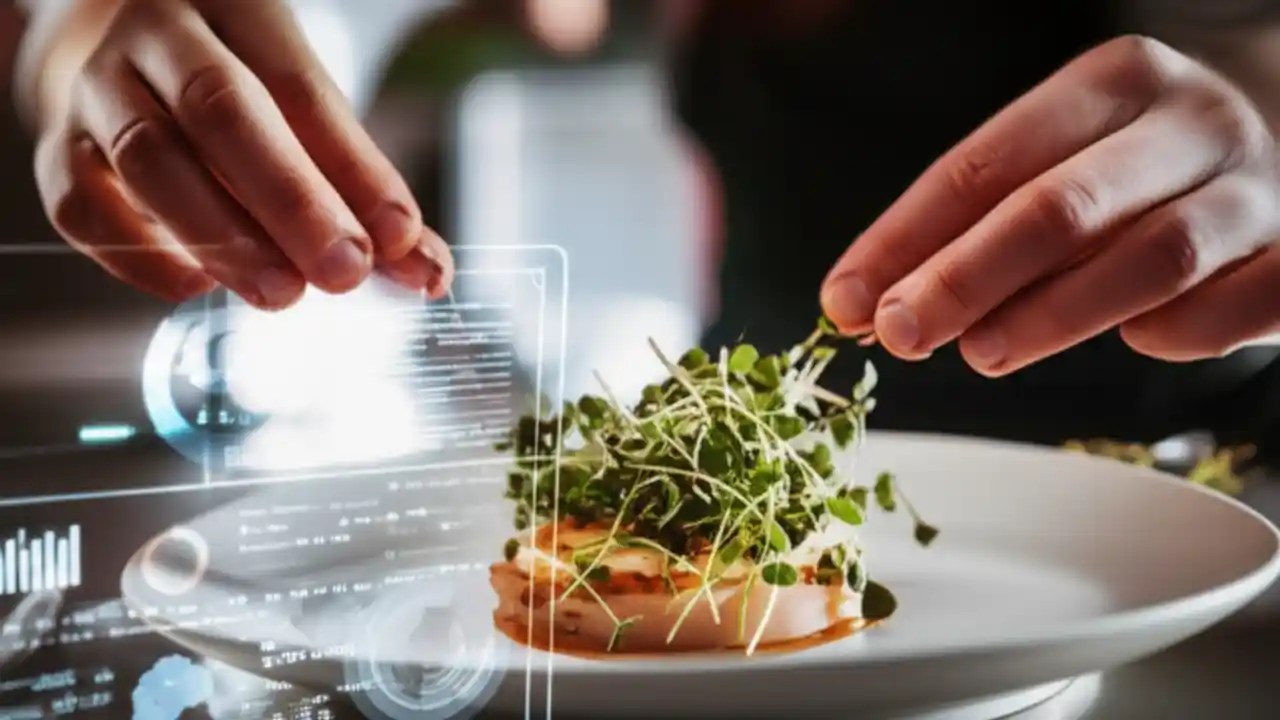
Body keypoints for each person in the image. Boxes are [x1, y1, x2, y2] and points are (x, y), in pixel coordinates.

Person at [10, 0, 1279, 454]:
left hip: (1200, 507)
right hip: (787, 491)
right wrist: (92, 35)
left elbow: (1245, 58)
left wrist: (1262, 118)